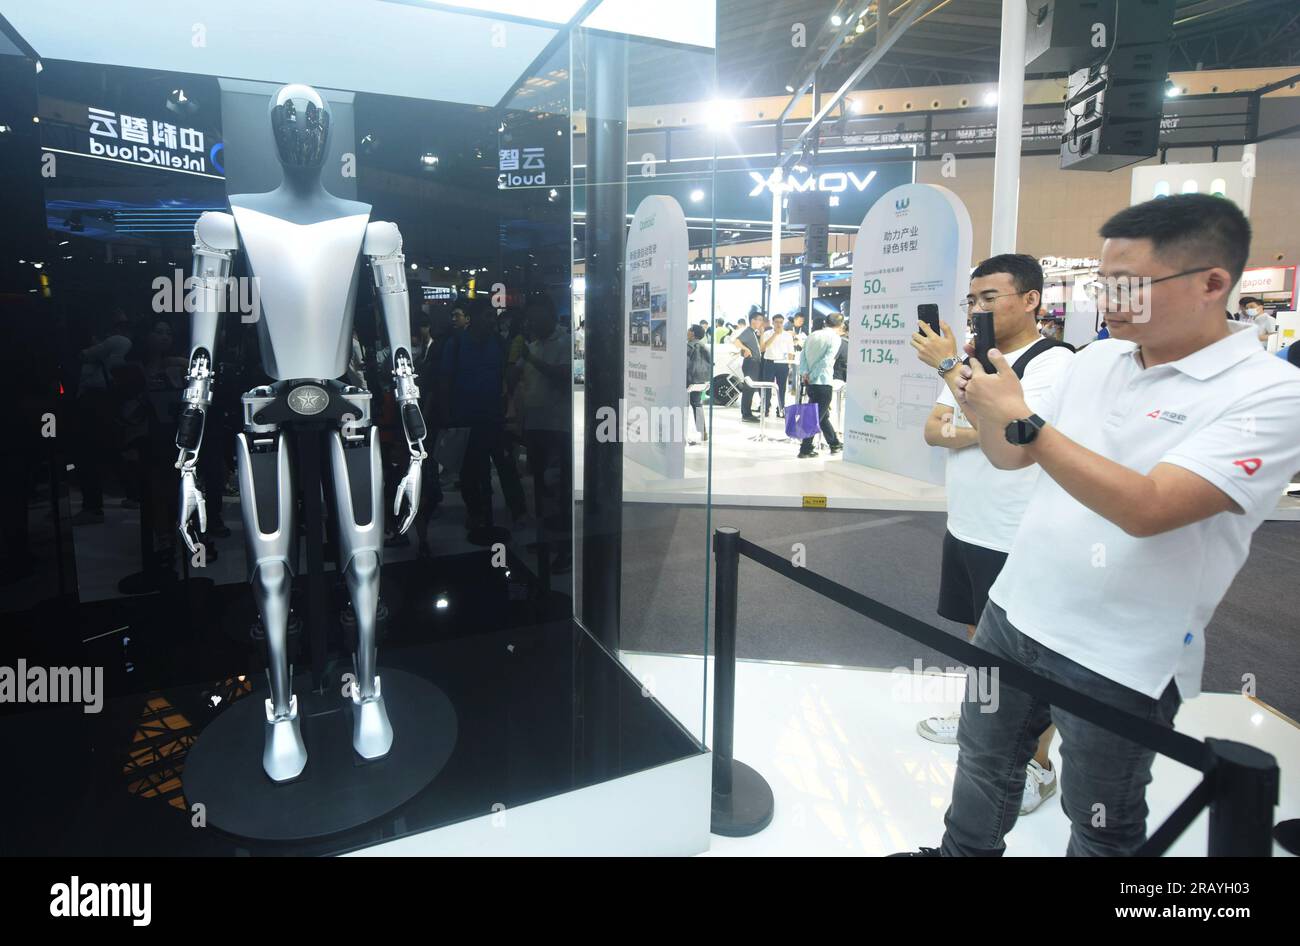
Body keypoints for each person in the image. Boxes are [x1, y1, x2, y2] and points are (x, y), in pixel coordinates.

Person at [898, 193, 1300, 857]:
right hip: (1015, 611)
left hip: (1123, 654)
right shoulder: (1098, 360)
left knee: (1101, 817)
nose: (1108, 301)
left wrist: (1020, 419)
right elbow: (1009, 456)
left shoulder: (1267, 393)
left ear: (1212, 284)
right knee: (982, 764)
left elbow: (1148, 508)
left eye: (1129, 285)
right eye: (1101, 283)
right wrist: (984, 401)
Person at [910, 254, 1074, 816]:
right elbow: (936, 430)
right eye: (972, 299)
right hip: (968, 524)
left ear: (1030, 299)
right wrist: (983, 419)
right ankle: (979, 723)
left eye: (990, 298)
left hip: (1018, 531)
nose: (978, 309)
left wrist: (955, 373)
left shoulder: (1053, 362)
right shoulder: (974, 363)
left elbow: (1021, 434)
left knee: (1030, 656)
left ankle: (1037, 762)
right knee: (981, 636)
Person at [440, 298, 526, 534]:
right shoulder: (456, 344)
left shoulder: (498, 343)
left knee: (505, 464)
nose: (492, 321)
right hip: (465, 416)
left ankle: (517, 511)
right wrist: (447, 414)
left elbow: (504, 378)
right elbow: (446, 380)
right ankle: (476, 512)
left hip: (493, 416)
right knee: (470, 470)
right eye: (487, 316)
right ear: (473, 317)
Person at [795, 312, 843, 458]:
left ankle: (834, 443)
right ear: (840, 325)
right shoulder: (835, 338)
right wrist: (813, 375)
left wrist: (805, 373)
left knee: (822, 415)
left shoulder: (813, 335)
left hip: (810, 382)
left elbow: (802, 356)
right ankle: (805, 448)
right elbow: (826, 360)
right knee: (816, 416)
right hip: (822, 381)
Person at [760, 313, 794, 417]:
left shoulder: (788, 335)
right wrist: (775, 334)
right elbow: (763, 348)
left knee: (782, 388)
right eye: (777, 322)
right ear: (773, 322)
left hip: (782, 364)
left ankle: (781, 409)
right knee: (767, 387)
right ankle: (765, 409)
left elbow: (790, 351)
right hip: (769, 362)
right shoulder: (767, 333)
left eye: (781, 322)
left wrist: (789, 364)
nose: (779, 324)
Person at [733, 311, 765, 423]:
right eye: (759, 319)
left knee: (750, 389)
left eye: (761, 320)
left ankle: (747, 412)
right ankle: (746, 414)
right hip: (751, 363)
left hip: (754, 362)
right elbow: (736, 342)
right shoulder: (747, 331)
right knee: (748, 388)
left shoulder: (753, 332)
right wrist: (746, 349)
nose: (761, 322)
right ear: (753, 320)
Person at [686, 324, 712, 443]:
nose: (687, 331)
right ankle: (703, 431)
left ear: (693, 333)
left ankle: (681, 434)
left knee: (682, 406)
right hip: (701, 381)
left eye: (689, 329)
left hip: (688, 381)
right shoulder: (705, 347)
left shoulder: (687, 347)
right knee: (697, 404)